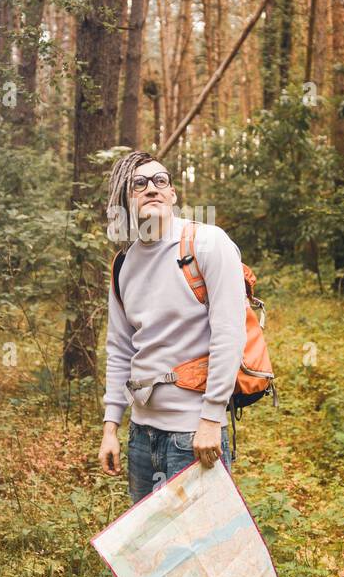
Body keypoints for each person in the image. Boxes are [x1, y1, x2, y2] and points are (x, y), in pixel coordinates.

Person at [96, 151, 247, 504]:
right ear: (124, 198)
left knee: (202, 549)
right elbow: (119, 349)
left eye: (160, 181)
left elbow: (229, 334)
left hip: (193, 434)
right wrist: (110, 427)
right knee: (153, 551)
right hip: (142, 435)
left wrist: (211, 419)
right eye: (139, 183)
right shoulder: (123, 264)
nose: (152, 188)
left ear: (173, 194)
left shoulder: (208, 243)